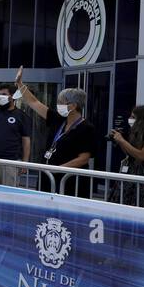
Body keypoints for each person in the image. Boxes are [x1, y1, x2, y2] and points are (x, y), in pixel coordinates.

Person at [14, 67, 98, 197]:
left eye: (61, 102)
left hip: (69, 181)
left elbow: (83, 159)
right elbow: (34, 102)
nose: (58, 105)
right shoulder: (58, 120)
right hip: (48, 177)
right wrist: (20, 84)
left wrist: (58, 169)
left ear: (73, 105)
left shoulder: (86, 128)